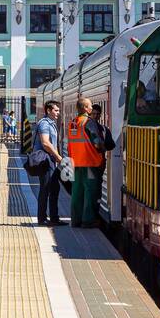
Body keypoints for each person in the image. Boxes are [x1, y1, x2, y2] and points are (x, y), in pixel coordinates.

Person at [67, 96, 105, 228]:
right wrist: (103, 148)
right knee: (91, 192)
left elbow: (70, 144)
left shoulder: (72, 123)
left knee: (77, 192)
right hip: (90, 163)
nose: (91, 108)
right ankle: (88, 220)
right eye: (89, 106)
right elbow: (98, 143)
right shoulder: (89, 122)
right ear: (84, 108)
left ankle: (76, 220)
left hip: (76, 164)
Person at [29, 101, 64, 226]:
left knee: (54, 188)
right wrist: (59, 157)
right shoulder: (44, 124)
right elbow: (45, 143)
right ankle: (42, 218)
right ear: (48, 111)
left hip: (51, 161)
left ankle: (54, 218)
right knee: (45, 189)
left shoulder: (51, 123)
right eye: (56, 110)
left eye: (58, 111)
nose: (58, 113)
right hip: (46, 160)